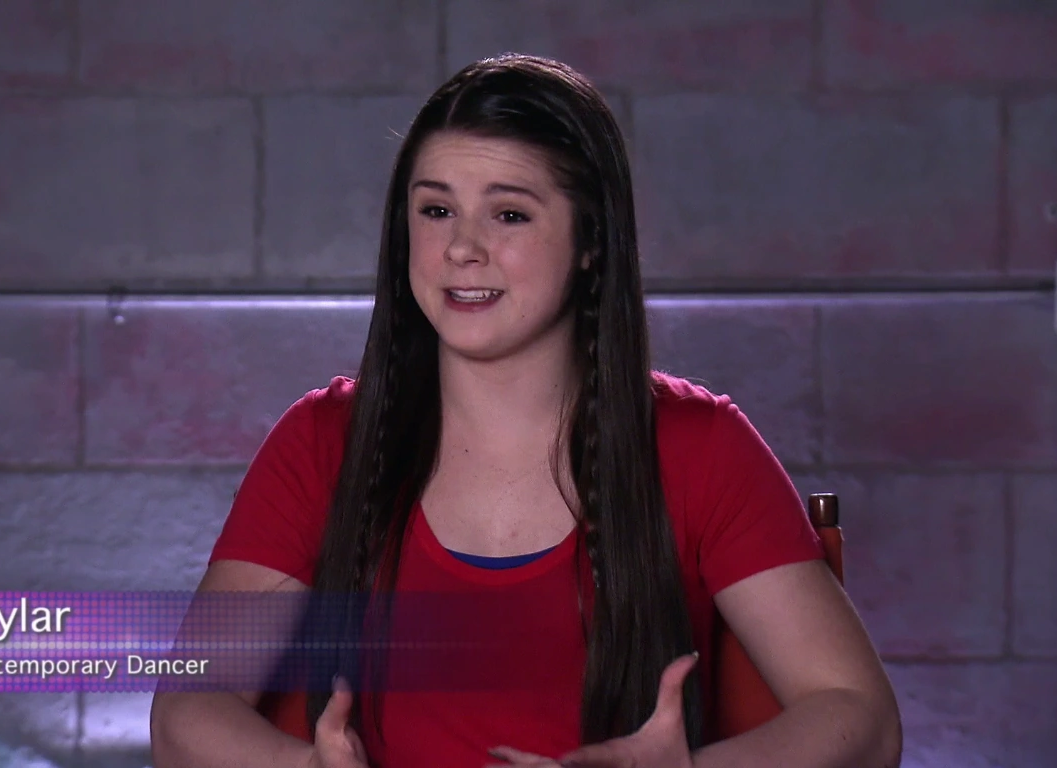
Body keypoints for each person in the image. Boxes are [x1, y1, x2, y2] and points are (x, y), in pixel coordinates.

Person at [150, 53, 902, 768]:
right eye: (436, 210)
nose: (461, 248)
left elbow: (860, 717)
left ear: (591, 243)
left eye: (509, 215)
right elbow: (187, 714)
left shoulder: (700, 447)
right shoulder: (324, 442)